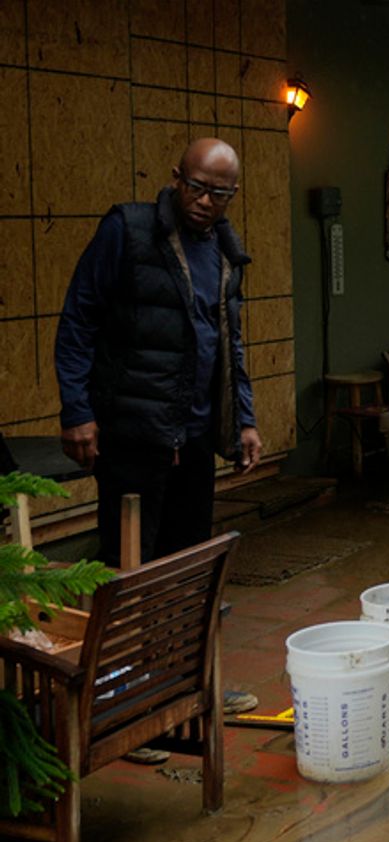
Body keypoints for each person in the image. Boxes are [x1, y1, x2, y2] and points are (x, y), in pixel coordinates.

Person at [55, 138, 261, 731]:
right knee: (129, 571)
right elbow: (79, 318)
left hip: (193, 436)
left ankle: (188, 688)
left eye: (218, 193)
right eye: (196, 186)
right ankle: (123, 706)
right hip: (130, 432)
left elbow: (231, 344)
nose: (203, 201)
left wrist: (243, 418)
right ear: (176, 178)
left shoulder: (224, 250)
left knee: (189, 567)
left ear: (232, 197)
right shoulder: (128, 230)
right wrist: (77, 410)